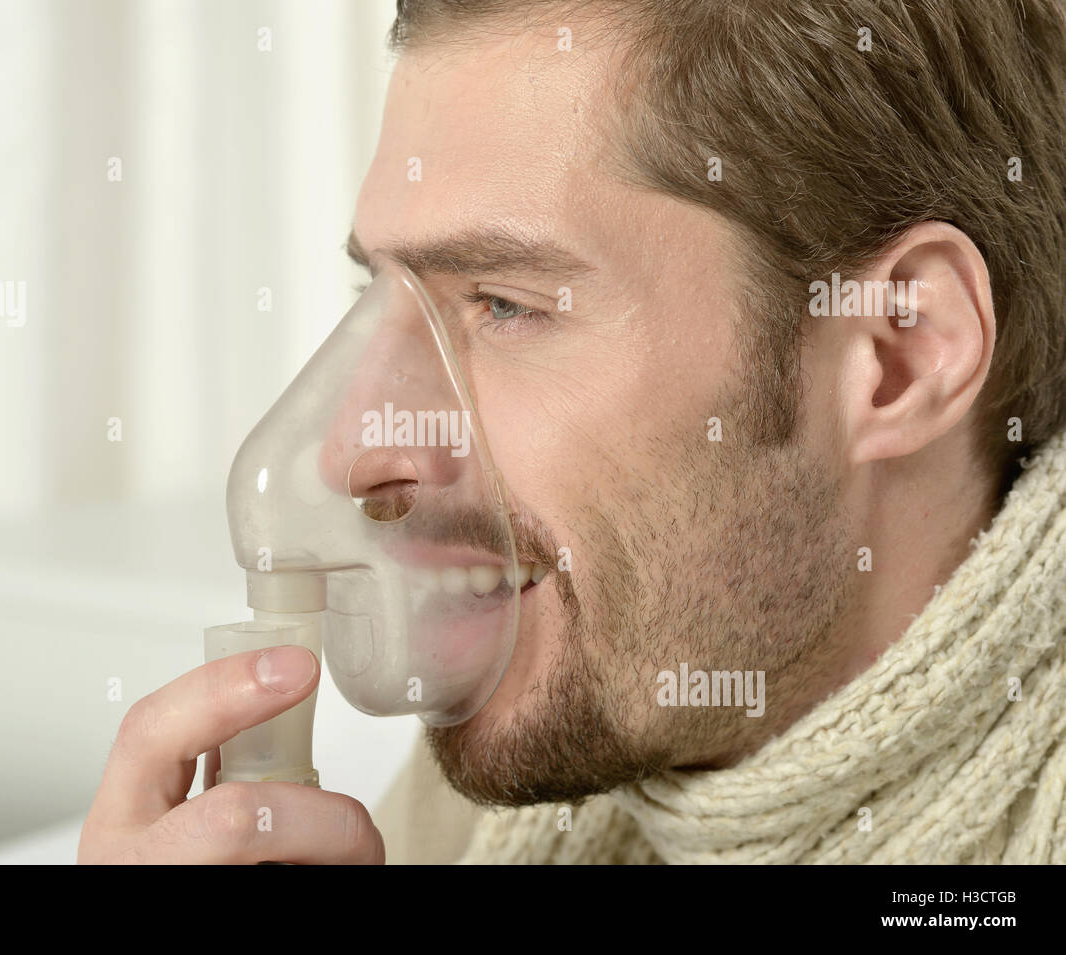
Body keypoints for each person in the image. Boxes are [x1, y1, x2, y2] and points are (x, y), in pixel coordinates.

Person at [78, 0, 1066, 865]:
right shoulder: (523, 772)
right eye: (380, 296)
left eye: (504, 305)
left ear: (899, 353)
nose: (351, 452)